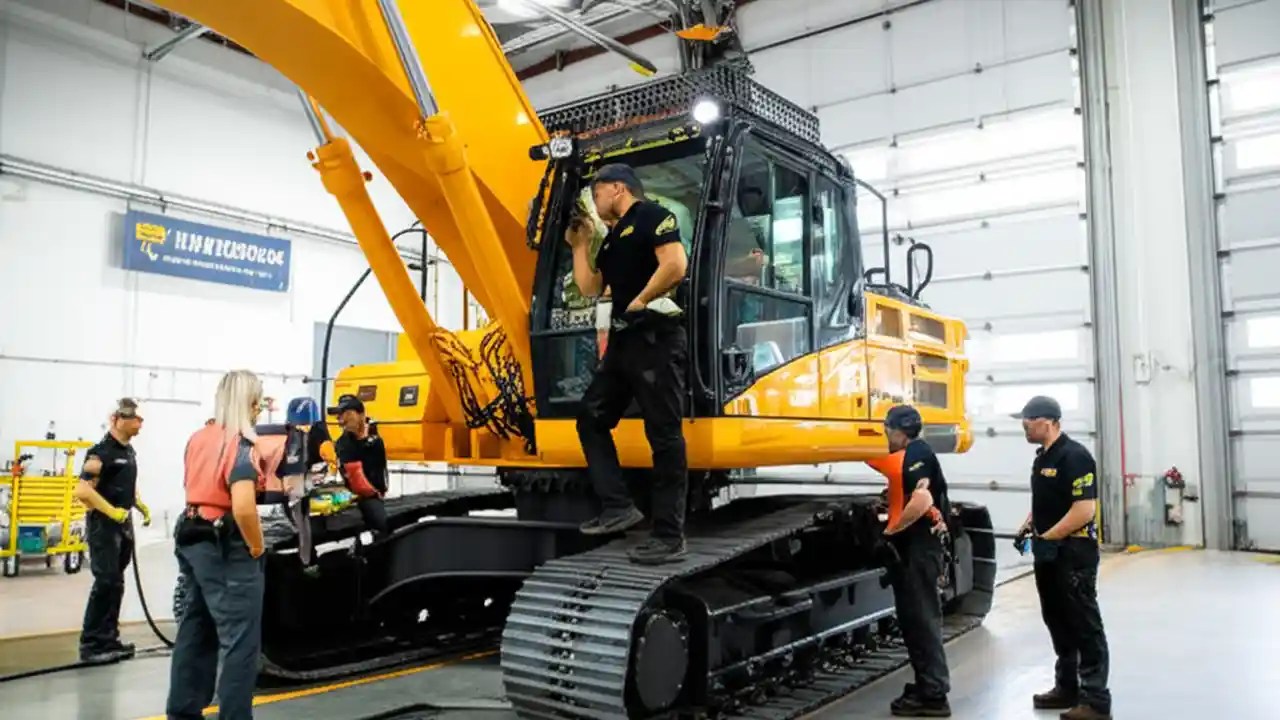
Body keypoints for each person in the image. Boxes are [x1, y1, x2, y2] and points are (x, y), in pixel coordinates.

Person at [565, 162, 690, 565]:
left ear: (616, 188)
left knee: (664, 436)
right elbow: (589, 288)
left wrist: (640, 301)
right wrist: (580, 246)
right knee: (591, 418)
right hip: (624, 343)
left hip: (655, 337)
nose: (594, 201)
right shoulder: (614, 236)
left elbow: (675, 264)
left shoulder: (653, 215)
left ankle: (670, 536)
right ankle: (618, 505)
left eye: (597, 193)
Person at [166, 370, 269, 720]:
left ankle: (183, 711)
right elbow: (242, 505)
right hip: (225, 544)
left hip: (191, 533)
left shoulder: (198, 438)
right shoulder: (242, 444)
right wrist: (256, 547)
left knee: (196, 629)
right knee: (240, 641)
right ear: (251, 403)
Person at [1013, 396, 1112, 720]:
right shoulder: (1042, 458)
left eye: (1029, 419)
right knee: (1056, 620)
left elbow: (1084, 510)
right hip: (1049, 551)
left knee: (1084, 625)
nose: (1024, 425)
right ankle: (1067, 687)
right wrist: (1030, 525)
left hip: (1074, 552)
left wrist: (1048, 536)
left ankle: (1095, 700)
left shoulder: (1075, 456)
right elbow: (1047, 500)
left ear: (1049, 421)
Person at [864, 405, 952, 717]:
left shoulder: (916, 454)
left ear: (898, 430)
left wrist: (892, 530)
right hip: (917, 553)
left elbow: (923, 499)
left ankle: (933, 696)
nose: (886, 436)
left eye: (887, 430)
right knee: (916, 622)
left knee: (922, 621)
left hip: (920, 552)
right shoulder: (914, 454)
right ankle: (928, 684)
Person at [74, 397, 151, 663]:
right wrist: (111, 511)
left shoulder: (128, 451)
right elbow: (82, 490)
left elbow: (123, 483)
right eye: (135, 418)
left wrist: (137, 503)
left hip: (122, 524)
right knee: (105, 582)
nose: (140, 423)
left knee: (116, 582)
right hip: (104, 526)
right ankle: (92, 644)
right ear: (118, 419)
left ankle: (109, 640)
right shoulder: (100, 453)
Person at [327, 394, 390, 536]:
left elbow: (377, 469)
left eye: (347, 414)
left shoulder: (375, 439)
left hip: (374, 492)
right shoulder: (343, 444)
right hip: (356, 495)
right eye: (340, 415)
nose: (342, 419)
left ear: (361, 414)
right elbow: (357, 480)